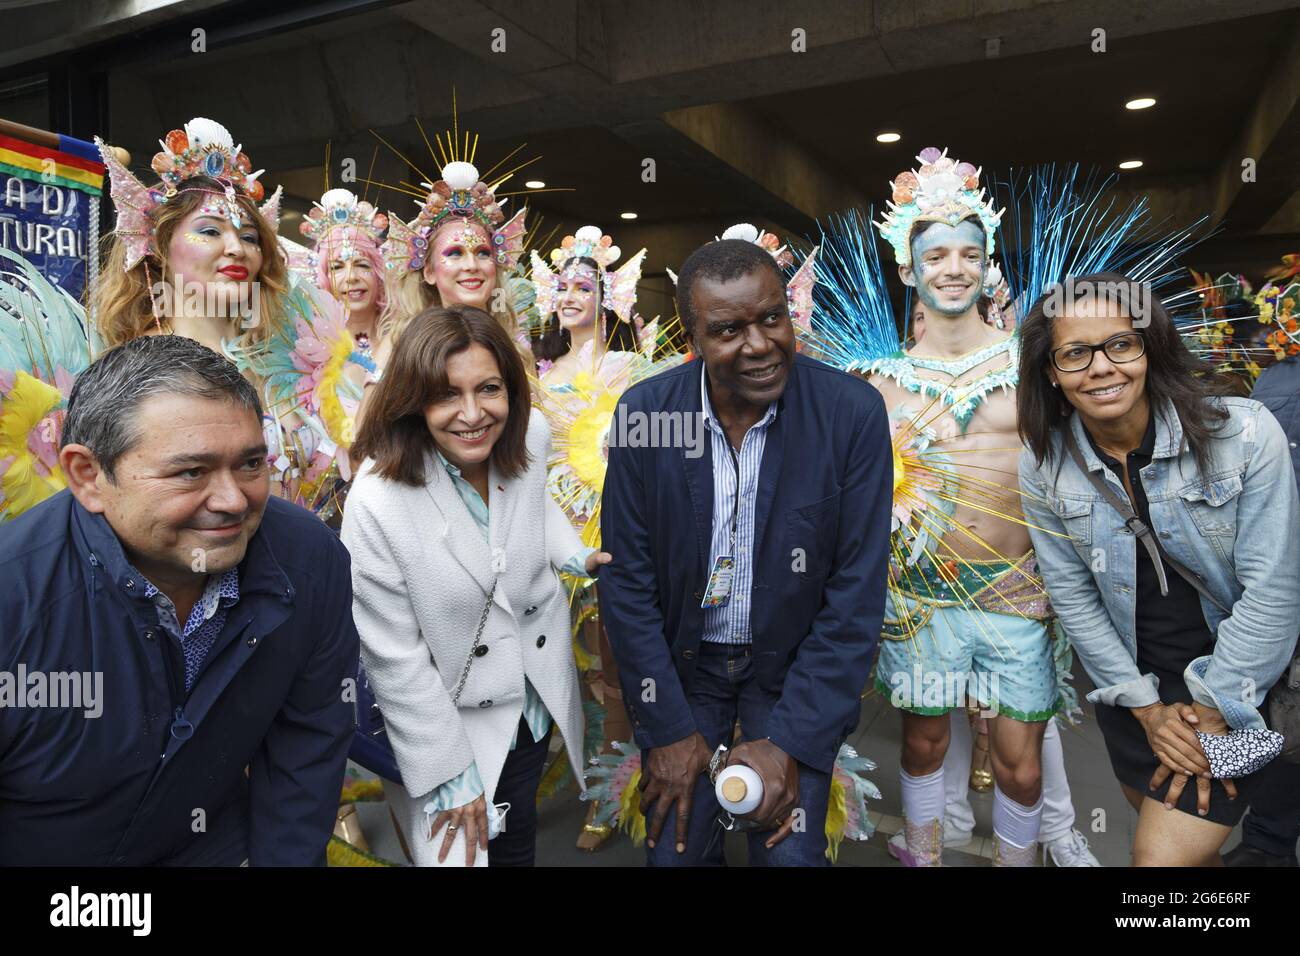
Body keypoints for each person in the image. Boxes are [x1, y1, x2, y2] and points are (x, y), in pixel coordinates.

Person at [0, 335, 357, 865]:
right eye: (191, 472)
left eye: (251, 464)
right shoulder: (15, 599)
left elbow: (307, 750)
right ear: (88, 475)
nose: (233, 500)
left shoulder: (308, 560)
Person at [599, 237, 893, 866]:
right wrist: (669, 732)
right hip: (686, 675)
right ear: (694, 337)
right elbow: (626, 586)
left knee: (791, 857)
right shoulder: (646, 416)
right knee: (675, 855)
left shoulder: (851, 415)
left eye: (771, 318)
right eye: (728, 330)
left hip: (789, 676)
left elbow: (856, 594)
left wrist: (789, 742)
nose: (759, 344)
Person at [1018, 271, 1300, 866]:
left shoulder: (1245, 434)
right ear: (1052, 371)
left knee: (1157, 864)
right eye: (1075, 352)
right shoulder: (1044, 463)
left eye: (1120, 344)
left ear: (1150, 347)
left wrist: (1214, 709)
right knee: (1194, 863)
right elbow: (1073, 598)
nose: (1101, 367)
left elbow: (1273, 589)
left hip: (1237, 685)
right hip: (1133, 694)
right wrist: (1146, 711)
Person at [340, 305, 609, 866]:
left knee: (516, 841)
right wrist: (450, 774)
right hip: (450, 727)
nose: (471, 414)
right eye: (445, 395)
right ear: (412, 399)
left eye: (488, 389)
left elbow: (536, 509)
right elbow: (392, 655)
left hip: (532, 700)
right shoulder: (377, 499)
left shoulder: (527, 434)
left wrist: (578, 556)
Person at [867, 148, 1062, 867]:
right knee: (922, 744)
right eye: (937, 254)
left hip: (1017, 594)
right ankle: (924, 855)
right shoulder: (881, 383)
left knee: (1022, 763)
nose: (954, 267)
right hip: (921, 598)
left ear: (986, 267)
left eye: (970, 254)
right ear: (908, 269)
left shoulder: (1032, 368)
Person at [530, 225, 656, 850]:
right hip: (554, 539)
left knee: (616, 670)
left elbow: (657, 453)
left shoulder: (631, 368)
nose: (573, 295)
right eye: (563, 286)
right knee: (568, 667)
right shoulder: (538, 374)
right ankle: (582, 772)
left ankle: (613, 789)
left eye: (585, 285)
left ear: (608, 295)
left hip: (619, 538)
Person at [1224, 335, 1300, 867]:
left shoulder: (1276, 381)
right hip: (1277, 578)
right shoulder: (1277, 382)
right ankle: (1264, 838)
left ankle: (1262, 838)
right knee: (1274, 705)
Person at [376, 159, 527, 369]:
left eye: (483, 253)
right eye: (455, 253)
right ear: (428, 271)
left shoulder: (516, 348)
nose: (471, 265)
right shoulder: (398, 345)